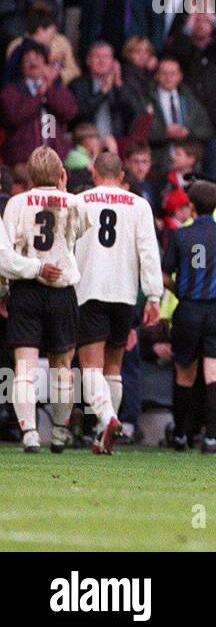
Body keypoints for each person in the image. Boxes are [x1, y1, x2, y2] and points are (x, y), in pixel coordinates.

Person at [73, 151, 163, 454]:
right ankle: (103, 433)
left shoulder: (79, 202)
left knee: (90, 367)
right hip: (125, 295)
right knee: (114, 366)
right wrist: (153, 295)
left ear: (94, 174)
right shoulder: (139, 205)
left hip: (90, 290)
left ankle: (108, 418)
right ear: (122, 176)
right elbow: (149, 252)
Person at [3, 146, 89, 453]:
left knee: (23, 367)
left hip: (26, 289)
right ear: (61, 174)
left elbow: (4, 256)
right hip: (62, 291)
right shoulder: (75, 203)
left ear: (28, 174)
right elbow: (75, 236)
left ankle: (29, 434)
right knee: (62, 366)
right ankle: (59, 432)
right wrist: (63, 193)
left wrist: (24, 275)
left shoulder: (14, 204)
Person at [160, 180, 216, 455]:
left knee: (185, 374)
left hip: (189, 309)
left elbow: (163, 275)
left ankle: (182, 435)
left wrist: (181, 289)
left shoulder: (181, 235)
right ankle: (211, 439)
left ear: (192, 206)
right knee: (215, 374)